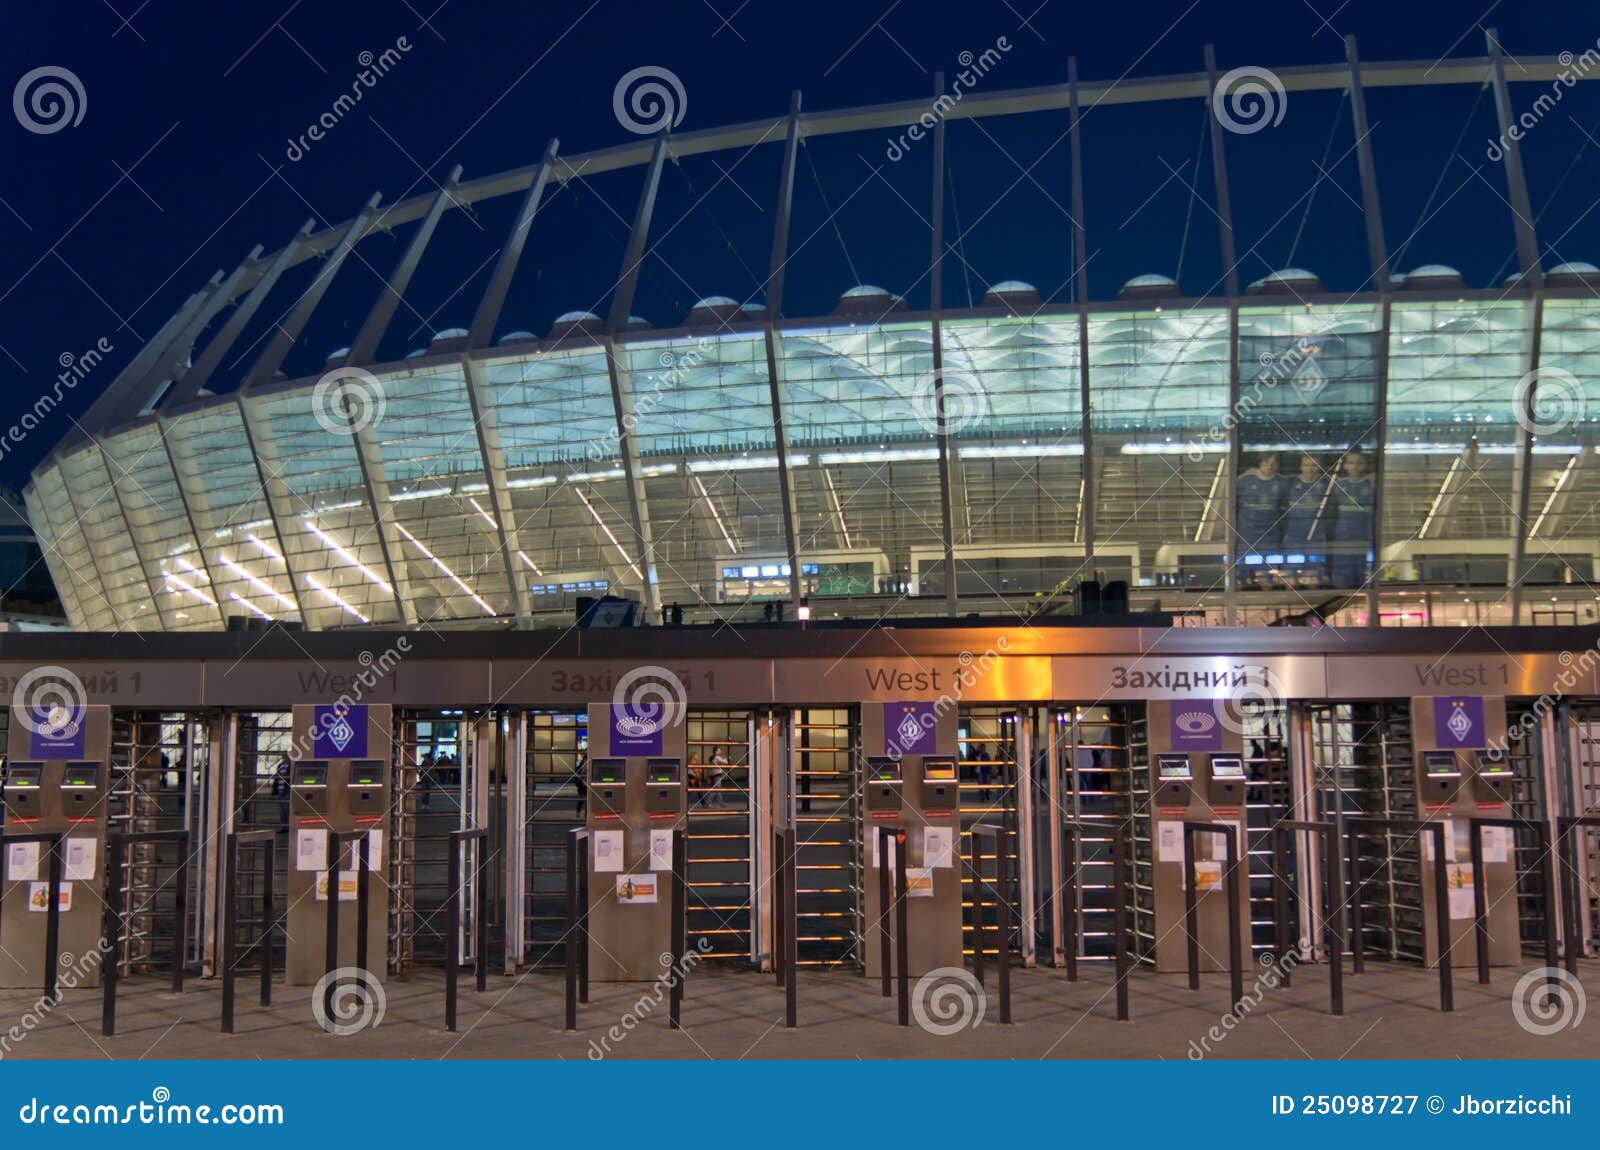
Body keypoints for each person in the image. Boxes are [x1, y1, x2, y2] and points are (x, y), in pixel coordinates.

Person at [1281, 453, 1330, 584]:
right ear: (1301, 466)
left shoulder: (1327, 484)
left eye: (1314, 465)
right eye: (1306, 465)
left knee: (1313, 580)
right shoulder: (1289, 483)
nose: (1310, 469)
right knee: (1290, 579)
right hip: (1293, 539)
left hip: (1317, 540)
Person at [1329, 449, 1374, 588]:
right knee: (1341, 585)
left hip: (1363, 543)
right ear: (1345, 465)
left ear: (1364, 465)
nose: (1354, 466)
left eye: (1358, 463)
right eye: (1351, 463)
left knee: (1365, 585)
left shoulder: (1371, 485)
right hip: (1342, 543)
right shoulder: (1337, 486)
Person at [1236, 452, 1285, 580]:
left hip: (1270, 537)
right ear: (1260, 463)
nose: (1270, 466)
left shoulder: (1282, 483)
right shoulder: (1244, 480)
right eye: (1266, 463)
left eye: (1273, 463)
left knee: (1269, 576)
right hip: (1247, 536)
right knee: (1243, 574)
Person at [708, 745, 731, 809]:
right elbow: (725, 762)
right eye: (719, 750)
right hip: (717, 775)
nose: (720, 751)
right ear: (716, 751)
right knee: (716, 790)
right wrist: (726, 758)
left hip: (713, 775)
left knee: (718, 790)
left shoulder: (712, 757)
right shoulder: (717, 757)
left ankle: (721, 803)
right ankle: (708, 802)